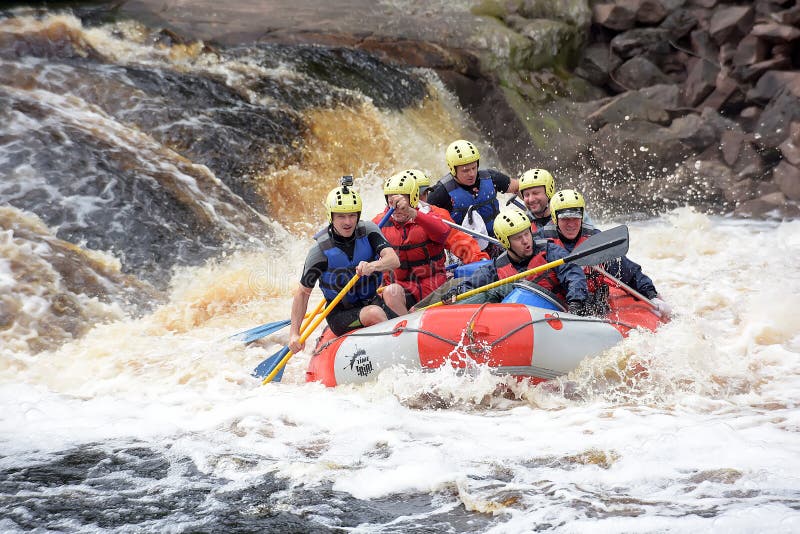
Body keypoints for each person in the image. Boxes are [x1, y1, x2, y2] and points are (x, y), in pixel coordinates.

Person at [289, 183, 407, 353]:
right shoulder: (319, 252)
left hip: (372, 300)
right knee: (374, 313)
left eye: (352, 215)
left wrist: (373, 266)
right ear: (331, 216)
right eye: (341, 216)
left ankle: (409, 341)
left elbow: (393, 260)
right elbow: (302, 293)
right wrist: (294, 334)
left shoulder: (369, 231)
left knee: (395, 290)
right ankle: (396, 351)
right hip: (341, 315)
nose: (348, 222)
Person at [539, 189, 672, 317]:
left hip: (592, 306)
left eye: (576, 217)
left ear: (582, 216)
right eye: (565, 218)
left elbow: (627, 270)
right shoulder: (541, 241)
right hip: (554, 304)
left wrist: (651, 295)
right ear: (555, 218)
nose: (571, 224)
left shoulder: (596, 241)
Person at [448, 208, 590, 314]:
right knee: (492, 292)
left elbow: (573, 274)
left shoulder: (551, 252)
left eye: (527, 234)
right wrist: (456, 292)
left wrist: (576, 302)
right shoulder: (497, 266)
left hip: (557, 314)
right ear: (505, 242)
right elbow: (472, 284)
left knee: (497, 291)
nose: (525, 241)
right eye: (518, 238)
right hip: (519, 321)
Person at [372, 170, 451, 306]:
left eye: (401, 202)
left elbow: (443, 232)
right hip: (399, 289)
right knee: (391, 292)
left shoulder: (429, 216)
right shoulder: (379, 223)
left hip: (433, 288)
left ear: (413, 199)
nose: (397, 208)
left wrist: (411, 212)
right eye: (392, 202)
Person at [425, 140, 519, 250]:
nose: (472, 174)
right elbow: (424, 219)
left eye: (474, 168)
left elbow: (518, 187)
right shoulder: (441, 192)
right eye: (465, 171)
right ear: (453, 170)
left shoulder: (490, 177)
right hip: (468, 251)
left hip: (498, 241)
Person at [412, 169, 490, 264]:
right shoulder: (394, 216)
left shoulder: (438, 214)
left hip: (432, 272)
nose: (422, 199)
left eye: (425, 194)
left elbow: (458, 240)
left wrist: (479, 259)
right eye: (417, 195)